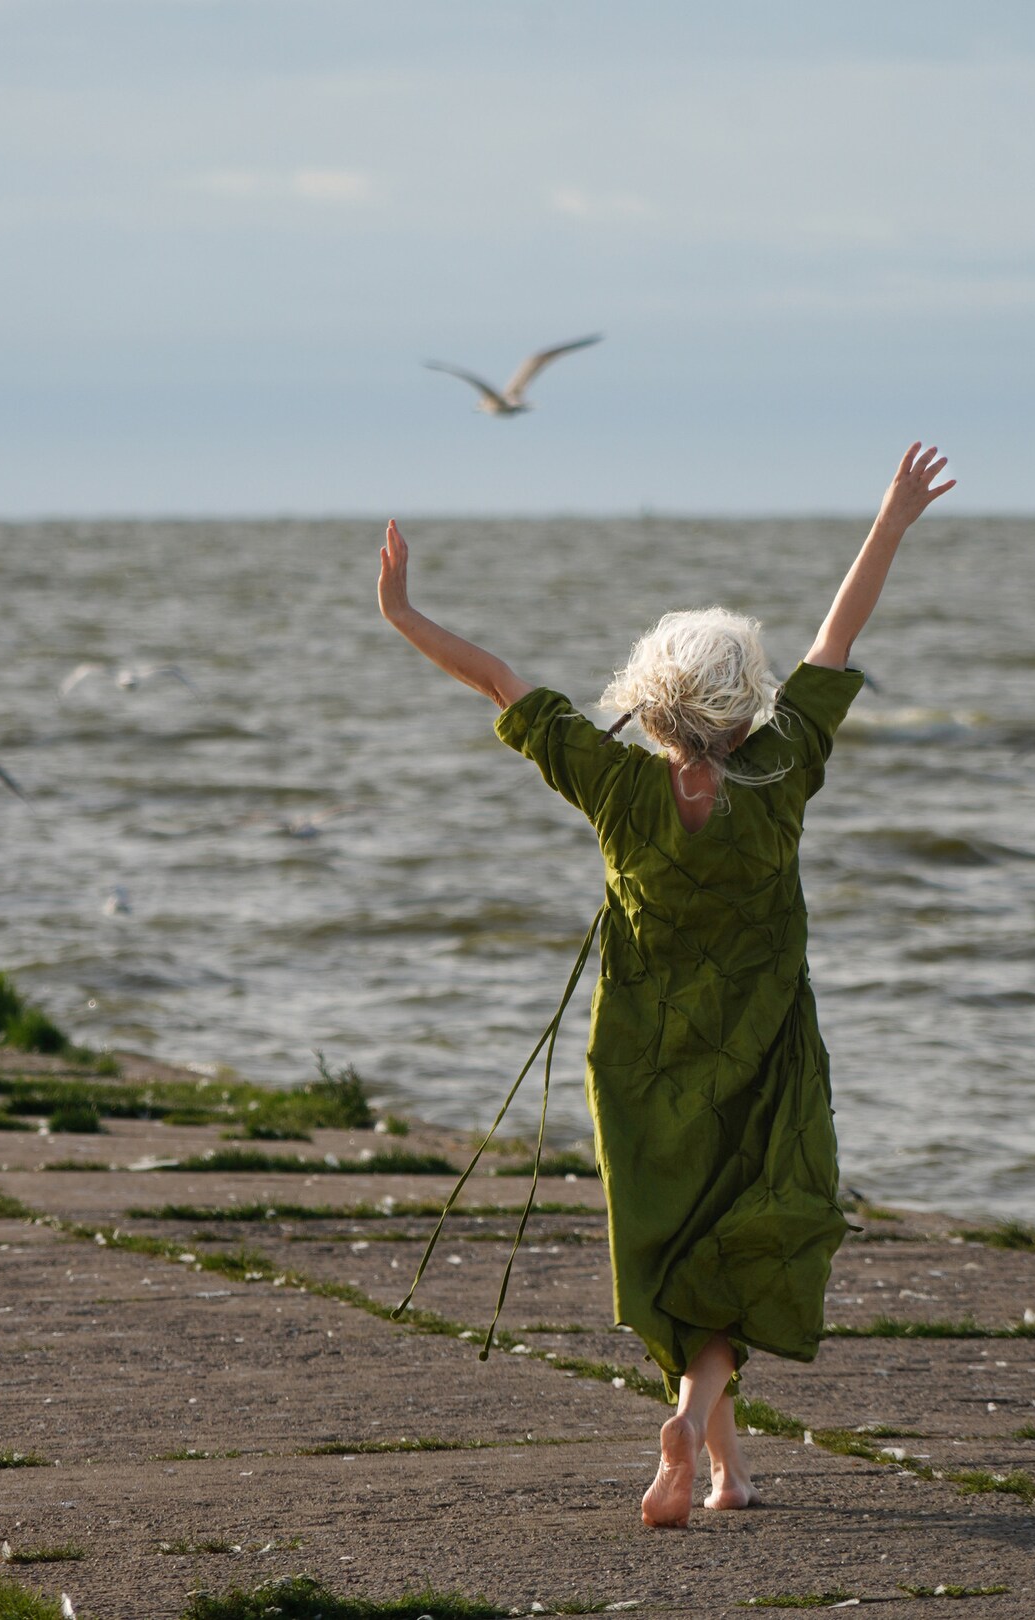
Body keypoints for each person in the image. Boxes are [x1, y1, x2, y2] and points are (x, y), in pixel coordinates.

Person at [377, 443, 955, 1527]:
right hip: (765, 1048)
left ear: (650, 706)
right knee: (750, 1236)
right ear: (740, 707)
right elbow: (840, 633)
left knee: (675, 1243)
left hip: (639, 1060)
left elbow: (501, 681)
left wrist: (404, 614)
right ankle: (699, 1429)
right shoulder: (782, 770)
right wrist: (892, 518)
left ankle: (718, 1462)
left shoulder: (612, 786)